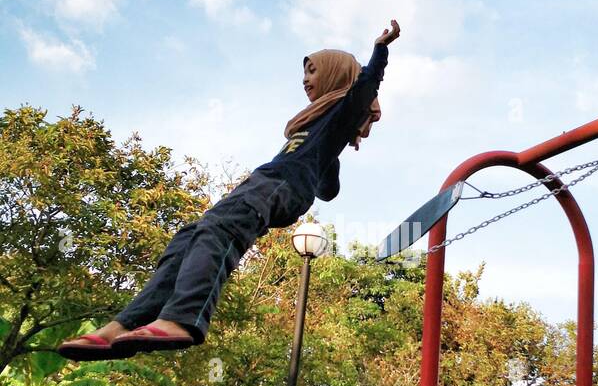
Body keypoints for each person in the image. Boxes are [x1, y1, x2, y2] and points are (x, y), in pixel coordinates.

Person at [59, 19, 401, 359]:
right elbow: (328, 189)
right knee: (189, 237)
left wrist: (379, 52)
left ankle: (182, 318)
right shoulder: (319, 124)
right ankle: (123, 325)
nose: (305, 80)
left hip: (277, 186)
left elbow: (364, 89)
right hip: (265, 182)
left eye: (313, 71)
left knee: (221, 230)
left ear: (334, 74)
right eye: (304, 74)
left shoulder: (341, 112)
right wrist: (328, 163)